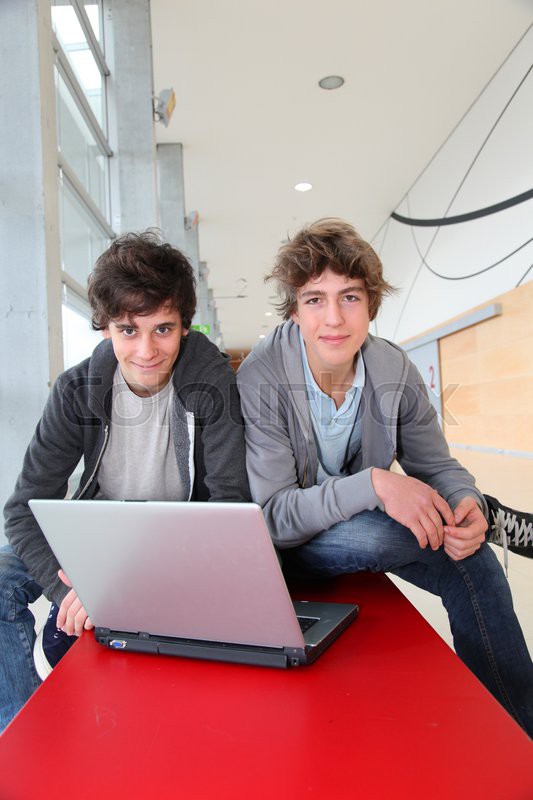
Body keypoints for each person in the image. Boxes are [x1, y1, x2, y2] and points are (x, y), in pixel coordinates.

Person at [236, 218, 533, 737]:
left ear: (371, 303)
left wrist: (459, 498)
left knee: (474, 559)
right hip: (296, 544)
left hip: (362, 518)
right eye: (314, 299)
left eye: (349, 297)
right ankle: (490, 513)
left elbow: (435, 464)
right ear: (294, 309)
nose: (333, 318)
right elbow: (275, 519)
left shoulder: (393, 368)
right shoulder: (261, 375)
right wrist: (374, 483)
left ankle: (518, 730)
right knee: (383, 526)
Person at [1, 231, 250, 731]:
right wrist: (72, 586)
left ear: (184, 325)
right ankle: (22, 734)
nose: (146, 351)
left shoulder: (210, 378)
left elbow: (231, 503)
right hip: (95, 540)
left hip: (178, 540)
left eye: (163, 329)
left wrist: (132, 582)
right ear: (106, 329)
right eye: (128, 331)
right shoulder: (77, 390)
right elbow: (23, 509)